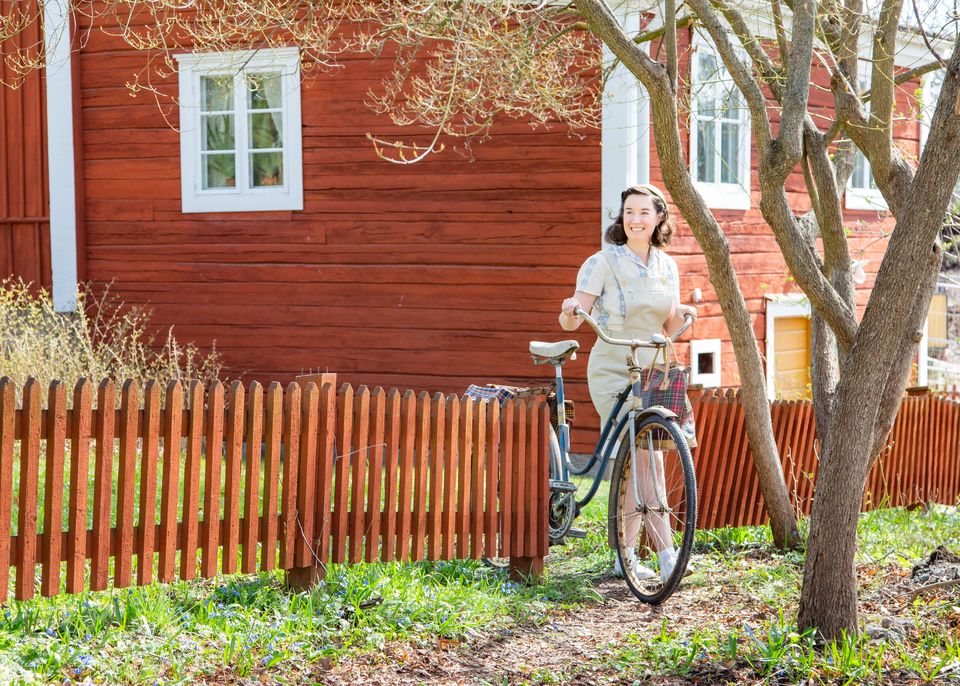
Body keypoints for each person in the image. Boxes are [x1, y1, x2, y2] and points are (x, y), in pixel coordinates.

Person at [558, 183, 696, 584]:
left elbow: (668, 328)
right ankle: (668, 555)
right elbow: (574, 315)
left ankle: (627, 556)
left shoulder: (667, 266)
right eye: (629, 212)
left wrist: (683, 313)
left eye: (643, 212)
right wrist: (570, 311)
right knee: (644, 459)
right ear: (622, 219)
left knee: (646, 457)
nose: (635, 219)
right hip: (613, 365)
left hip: (652, 365)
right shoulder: (602, 262)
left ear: (658, 219)